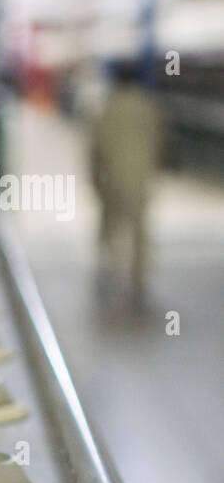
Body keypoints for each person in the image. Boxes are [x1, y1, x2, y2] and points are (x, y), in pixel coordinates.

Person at [89, 61, 164, 305]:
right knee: (139, 227)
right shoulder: (148, 106)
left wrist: (95, 177)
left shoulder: (107, 108)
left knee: (110, 224)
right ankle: (138, 278)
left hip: (112, 176)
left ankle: (110, 270)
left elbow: (95, 146)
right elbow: (158, 141)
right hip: (139, 175)